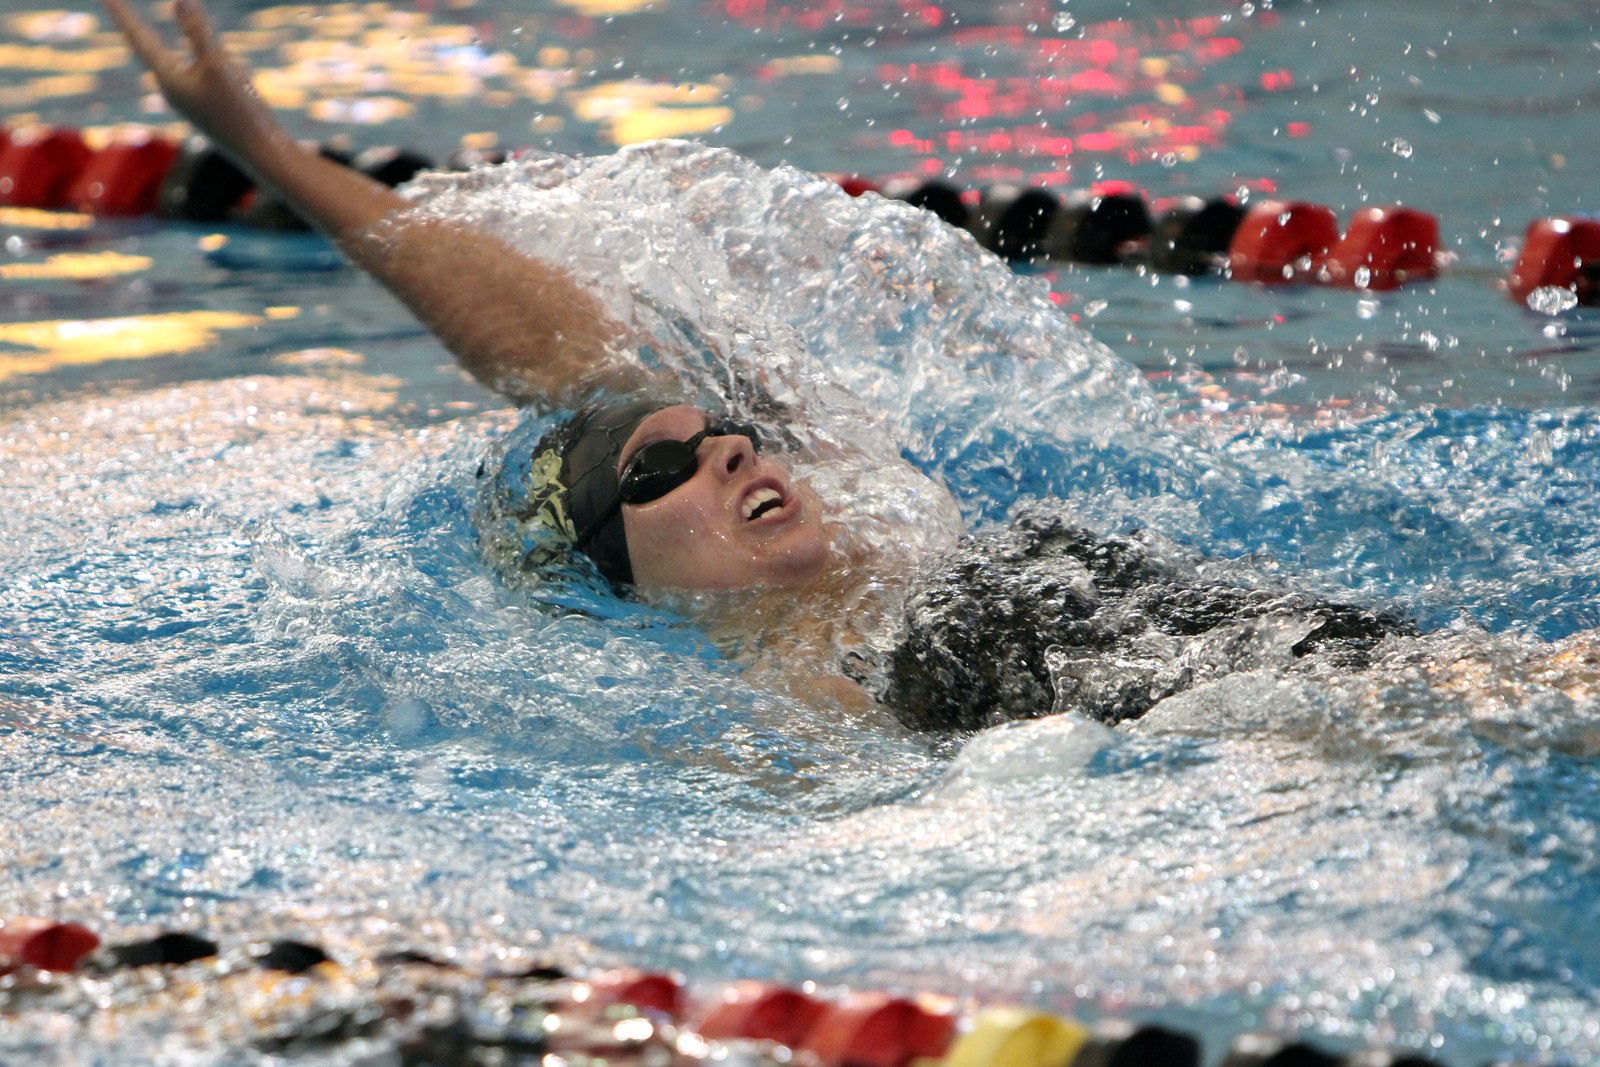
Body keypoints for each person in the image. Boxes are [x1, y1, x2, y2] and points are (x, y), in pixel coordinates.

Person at [108, 0, 1589, 735]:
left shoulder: (878, 508)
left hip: (1220, 638)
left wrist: (263, 146)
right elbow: (546, 361)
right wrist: (259, 148)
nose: (730, 455)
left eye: (726, 434)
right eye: (661, 472)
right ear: (617, 577)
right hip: (1133, 715)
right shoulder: (780, 700)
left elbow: (577, 343)